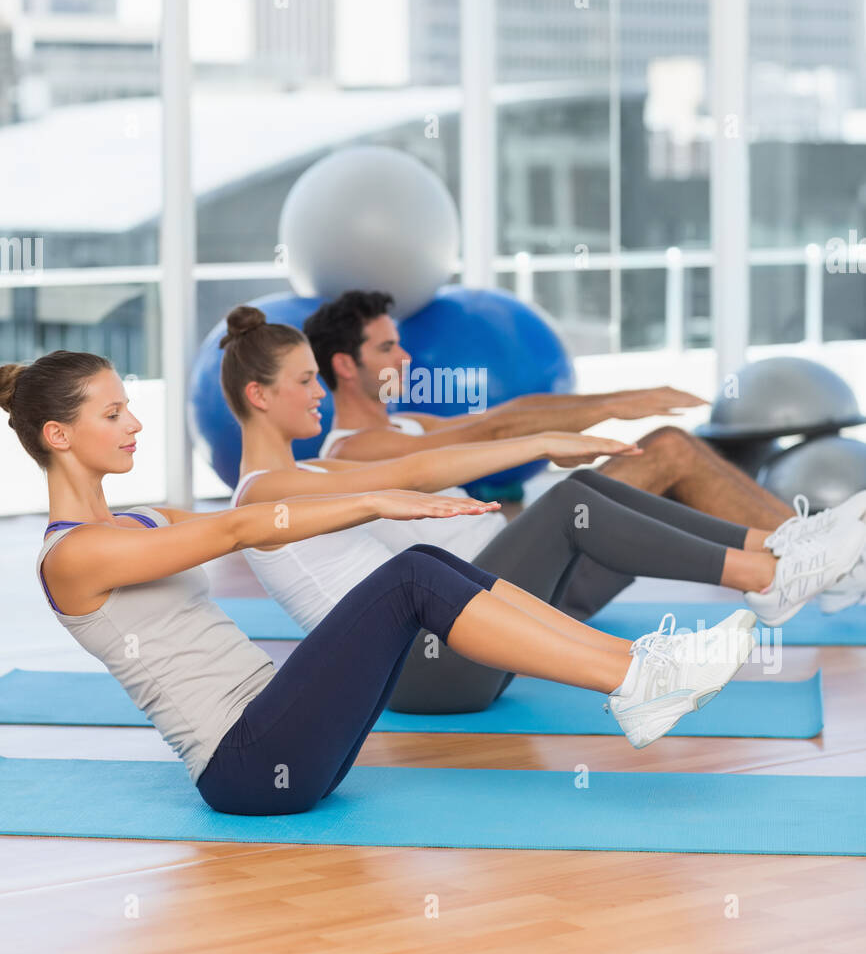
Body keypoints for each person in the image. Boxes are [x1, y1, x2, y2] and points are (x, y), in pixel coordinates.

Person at [1, 351, 761, 817]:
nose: (133, 422)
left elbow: (259, 512)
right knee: (410, 578)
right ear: (58, 436)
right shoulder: (72, 557)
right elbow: (238, 530)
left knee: (433, 569)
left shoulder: (139, 520)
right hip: (250, 768)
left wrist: (386, 490)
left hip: (286, 733)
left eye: (129, 405)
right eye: (113, 412)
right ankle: (637, 679)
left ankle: (639, 677)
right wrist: (370, 500)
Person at [219, 306, 866, 714]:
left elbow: (420, 464)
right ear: (258, 394)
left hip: (465, 641)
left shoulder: (305, 473)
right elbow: (412, 469)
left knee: (592, 495)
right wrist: (547, 441)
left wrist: (548, 439)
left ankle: (786, 563)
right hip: (426, 671)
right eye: (303, 382)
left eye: (313, 378)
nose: (316, 395)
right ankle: (772, 572)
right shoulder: (263, 493)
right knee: (572, 502)